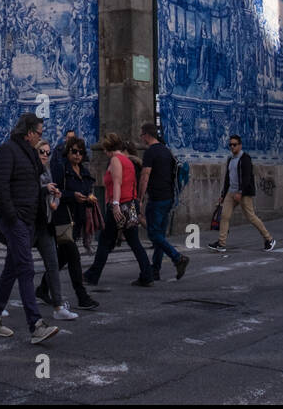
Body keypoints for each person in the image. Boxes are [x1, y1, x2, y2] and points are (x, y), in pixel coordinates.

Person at [0, 113, 58, 343]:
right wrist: (12, 217)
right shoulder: (7, 151)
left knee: (12, 269)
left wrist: (45, 191)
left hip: (28, 220)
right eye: (39, 133)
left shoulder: (30, 155)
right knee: (26, 268)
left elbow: (29, 185)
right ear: (29, 132)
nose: (40, 137)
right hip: (15, 221)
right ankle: (36, 325)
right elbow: (0, 186)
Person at [82, 134, 156, 285]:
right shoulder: (127, 160)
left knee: (104, 241)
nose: (104, 152)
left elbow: (117, 183)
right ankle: (147, 274)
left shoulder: (116, 160)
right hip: (130, 205)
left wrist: (115, 205)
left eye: (104, 149)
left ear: (109, 148)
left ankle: (93, 275)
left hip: (120, 206)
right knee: (134, 241)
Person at [31, 139, 78, 320]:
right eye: (41, 152)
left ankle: (58, 307)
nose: (45, 155)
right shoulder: (30, 170)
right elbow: (28, 193)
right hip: (31, 224)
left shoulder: (48, 172)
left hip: (46, 224)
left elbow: (52, 202)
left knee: (53, 264)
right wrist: (45, 190)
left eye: (47, 152)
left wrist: (55, 197)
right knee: (15, 266)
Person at [209, 134, 277, 253]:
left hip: (243, 193)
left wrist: (240, 192)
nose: (232, 147)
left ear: (240, 145)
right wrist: (223, 195)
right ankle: (221, 243)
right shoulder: (230, 159)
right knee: (224, 216)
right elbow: (227, 179)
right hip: (231, 192)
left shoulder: (245, 158)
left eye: (234, 144)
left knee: (251, 217)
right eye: (230, 145)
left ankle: (269, 239)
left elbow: (247, 178)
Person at [53, 137, 99, 310]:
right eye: (74, 151)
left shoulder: (84, 172)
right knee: (74, 257)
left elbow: (87, 193)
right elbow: (55, 191)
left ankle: (42, 289)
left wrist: (89, 199)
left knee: (61, 258)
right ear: (68, 152)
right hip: (63, 219)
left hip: (77, 220)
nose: (77, 155)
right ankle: (82, 296)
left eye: (81, 152)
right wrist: (72, 196)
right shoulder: (61, 169)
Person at [139, 123, 189, 280]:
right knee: (160, 235)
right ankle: (155, 270)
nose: (141, 138)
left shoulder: (150, 152)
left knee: (154, 234)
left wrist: (140, 198)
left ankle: (177, 257)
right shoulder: (167, 151)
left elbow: (145, 176)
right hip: (169, 198)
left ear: (147, 135)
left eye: (142, 135)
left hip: (157, 199)